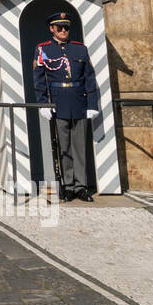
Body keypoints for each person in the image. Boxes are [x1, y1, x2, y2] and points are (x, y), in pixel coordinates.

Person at [33, 11, 100, 202]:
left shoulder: (80, 49)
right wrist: (43, 103)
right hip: (58, 103)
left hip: (79, 101)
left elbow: (89, 77)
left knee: (80, 146)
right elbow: (38, 78)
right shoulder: (43, 49)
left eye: (66, 27)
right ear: (51, 29)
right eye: (59, 27)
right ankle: (68, 185)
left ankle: (81, 186)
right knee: (63, 146)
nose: (64, 30)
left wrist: (92, 104)